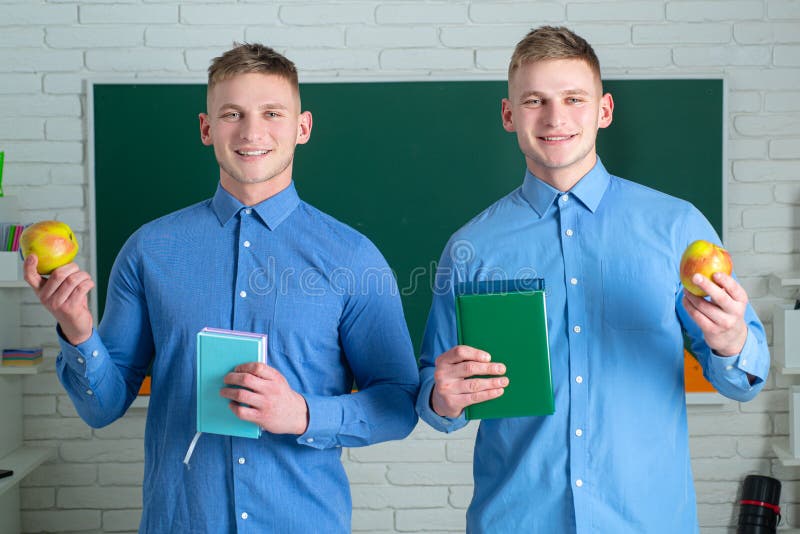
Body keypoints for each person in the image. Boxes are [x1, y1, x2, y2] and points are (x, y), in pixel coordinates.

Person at [24, 43, 419, 533]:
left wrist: (301, 413)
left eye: (272, 113)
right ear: (207, 128)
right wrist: (78, 331)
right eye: (233, 114)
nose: (252, 132)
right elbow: (101, 409)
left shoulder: (353, 258)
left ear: (303, 127)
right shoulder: (149, 250)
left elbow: (399, 406)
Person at [416, 26, 769, 533]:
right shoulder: (472, 247)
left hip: (647, 520)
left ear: (603, 110)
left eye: (573, 99)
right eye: (535, 100)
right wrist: (441, 397)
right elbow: (434, 389)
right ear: (508, 115)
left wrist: (732, 340)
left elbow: (741, 383)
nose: (555, 118)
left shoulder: (676, 227)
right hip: (516, 520)